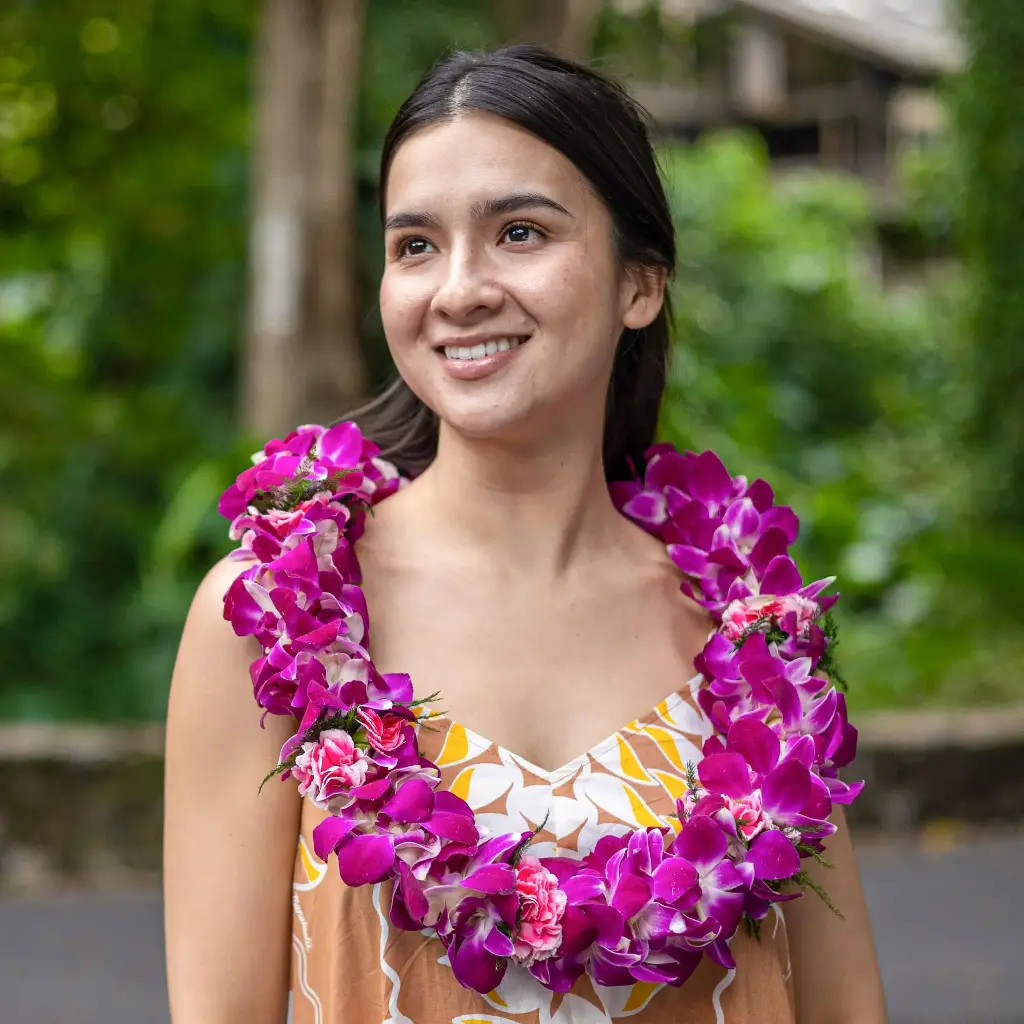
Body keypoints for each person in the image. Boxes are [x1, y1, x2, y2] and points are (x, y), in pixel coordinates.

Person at [164, 44, 886, 1024]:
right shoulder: (268, 622)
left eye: (518, 232)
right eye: (414, 245)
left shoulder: (752, 637)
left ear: (641, 283)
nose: (458, 288)